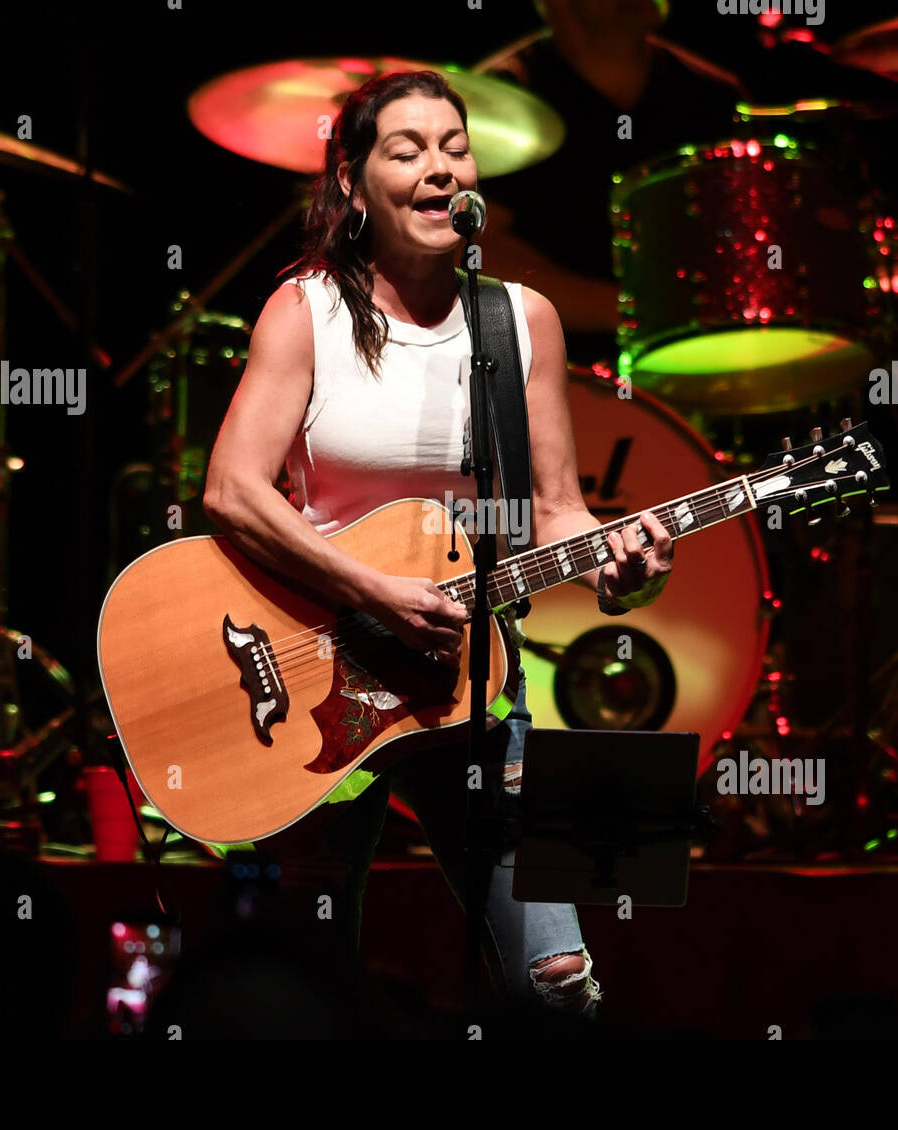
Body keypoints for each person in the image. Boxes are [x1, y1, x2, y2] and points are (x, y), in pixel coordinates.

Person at [202, 69, 675, 1016]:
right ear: (353, 181)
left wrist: (622, 568)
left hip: (476, 683)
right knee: (297, 992)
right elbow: (230, 491)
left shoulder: (521, 319)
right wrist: (370, 590)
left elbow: (557, 510)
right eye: (407, 149)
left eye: (454, 148)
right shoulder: (305, 310)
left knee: (564, 989)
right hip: (315, 681)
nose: (438, 167)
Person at [475, 0, 747, 361]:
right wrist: (631, 312)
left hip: (705, 360)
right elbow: (472, 255)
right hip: (553, 372)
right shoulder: (495, 106)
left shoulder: (713, 97)